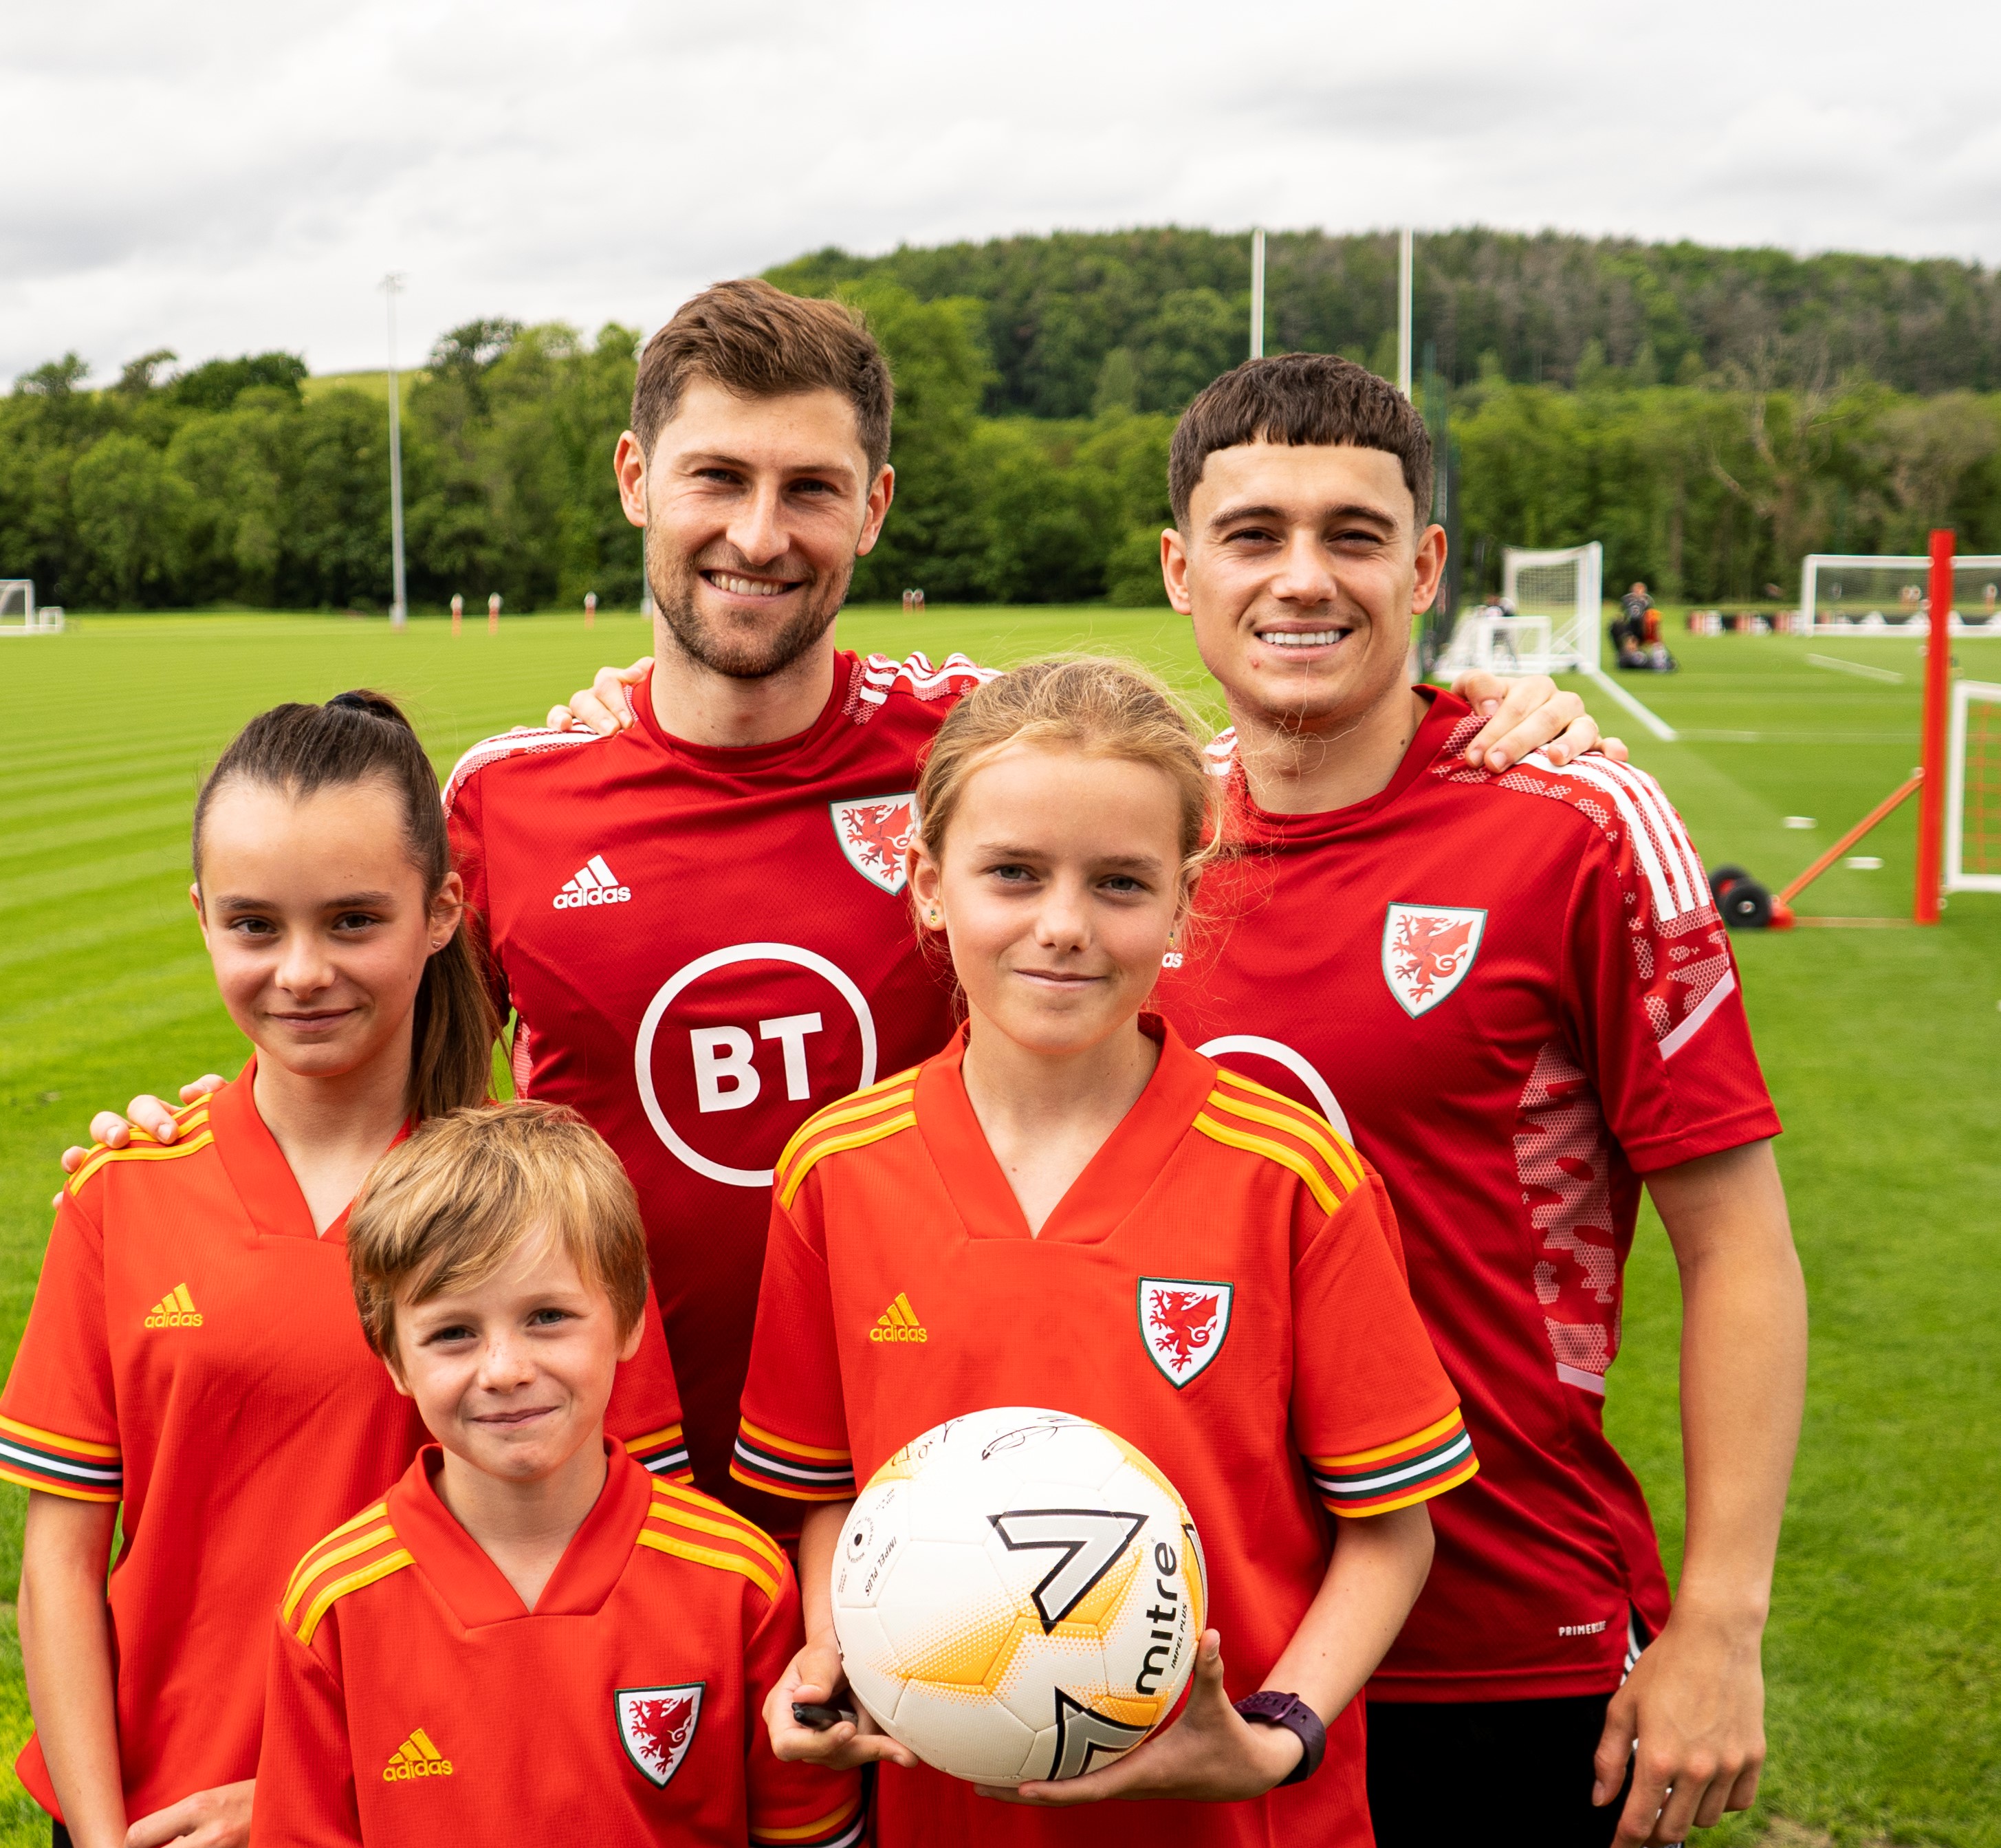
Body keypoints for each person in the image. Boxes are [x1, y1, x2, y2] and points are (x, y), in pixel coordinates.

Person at [66, 282, 1616, 1535]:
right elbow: (369, 1074)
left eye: (809, 488)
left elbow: (1181, 772)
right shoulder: (507, 798)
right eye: (717, 480)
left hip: (954, 1480)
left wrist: (1472, 707)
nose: (759, 533)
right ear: (635, 483)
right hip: (603, 1482)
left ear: (873, 508)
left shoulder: (968, 747)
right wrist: (186, 1126)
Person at [1144, 354, 1806, 1848]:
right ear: (1180, 567)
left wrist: (1719, 1621)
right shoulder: (1131, 851)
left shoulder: (1572, 825)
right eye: (1255, 533)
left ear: (1426, 567)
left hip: (1519, 1655)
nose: (1304, 577)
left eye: (1355, 533)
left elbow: (1738, 1243)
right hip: (1204, 1667)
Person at [736, 660, 1476, 1848]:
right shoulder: (835, 1171)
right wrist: (834, 1653)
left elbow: (1394, 1534)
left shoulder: (1287, 1169)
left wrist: (1272, 1734)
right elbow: (825, 1486)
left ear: (1187, 904)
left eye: (1122, 883)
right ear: (929, 881)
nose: (1064, 926)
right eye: (1013, 872)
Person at [6, 694, 684, 1848]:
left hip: (434, 1820)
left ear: (441, 911)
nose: (302, 968)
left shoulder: (539, 1205)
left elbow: (620, 1573)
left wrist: (325, 1789)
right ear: (201, 913)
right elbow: (62, 1565)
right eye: (255, 924)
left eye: (353, 920)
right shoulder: (123, 1195)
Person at [250, 1102, 861, 1848]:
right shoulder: (336, 1601)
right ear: (392, 1356)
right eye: (453, 1332)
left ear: (624, 1321)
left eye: (546, 1316)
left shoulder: (737, 1580)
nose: (504, 1367)